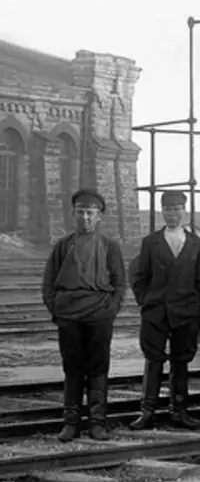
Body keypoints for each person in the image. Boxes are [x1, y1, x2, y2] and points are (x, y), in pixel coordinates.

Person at [41, 189, 127, 442]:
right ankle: (70, 423)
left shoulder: (109, 246)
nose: (85, 218)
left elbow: (120, 283)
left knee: (98, 368)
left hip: (99, 315)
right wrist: (56, 307)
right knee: (73, 368)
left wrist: (110, 310)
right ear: (74, 214)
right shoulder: (62, 246)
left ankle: (98, 423)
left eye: (90, 213)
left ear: (99, 216)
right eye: (81, 212)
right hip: (69, 314)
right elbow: (48, 283)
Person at [129, 191, 200, 431]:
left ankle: (180, 411)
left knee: (181, 362)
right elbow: (139, 276)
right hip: (156, 312)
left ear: (184, 211)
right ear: (161, 212)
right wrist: (145, 301)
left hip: (186, 313)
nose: (172, 214)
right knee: (153, 360)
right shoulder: (151, 242)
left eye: (177, 209)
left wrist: (199, 304)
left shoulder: (196, 244)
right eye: (168, 210)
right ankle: (147, 412)